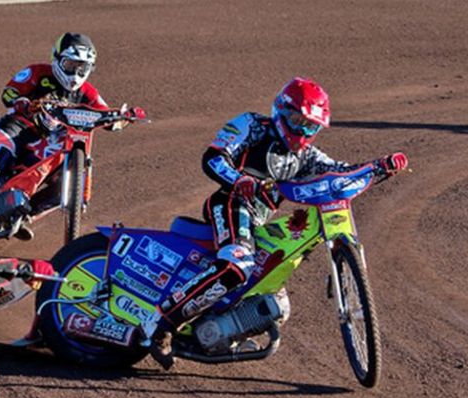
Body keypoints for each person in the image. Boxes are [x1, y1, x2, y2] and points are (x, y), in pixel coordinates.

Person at [142, 76, 408, 369]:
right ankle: (163, 323)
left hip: (257, 220)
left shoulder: (306, 157)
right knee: (238, 264)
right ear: (280, 111)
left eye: (312, 126)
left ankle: (216, 334)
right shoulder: (252, 126)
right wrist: (239, 179)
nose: (303, 131)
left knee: (277, 304)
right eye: (297, 121)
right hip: (231, 203)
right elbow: (213, 158)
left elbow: (341, 173)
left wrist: (381, 167)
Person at [0, 32, 145, 239]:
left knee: (65, 185)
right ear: (57, 59)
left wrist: (125, 117)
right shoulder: (38, 73)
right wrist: (22, 102)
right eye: (71, 65)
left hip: (54, 144)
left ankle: (22, 215)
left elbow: (105, 114)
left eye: (82, 68)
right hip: (19, 128)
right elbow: (8, 93)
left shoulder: (87, 92)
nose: (76, 74)